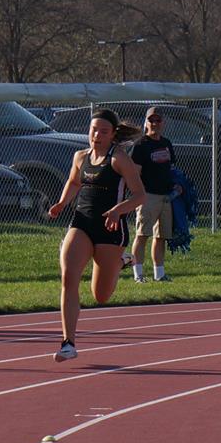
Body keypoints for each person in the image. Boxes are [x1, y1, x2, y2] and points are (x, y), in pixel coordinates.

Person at [46, 109, 146, 362]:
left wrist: (117, 211)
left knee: (100, 295)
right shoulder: (80, 157)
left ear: (113, 135)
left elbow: (139, 196)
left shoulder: (119, 159)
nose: (97, 135)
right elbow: (73, 182)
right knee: (68, 277)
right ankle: (68, 342)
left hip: (110, 229)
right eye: (93, 130)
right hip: (81, 223)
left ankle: (121, 260)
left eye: (103, 131)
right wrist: (61, 203)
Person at [128, 108, 178, 283]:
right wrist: (139, 195)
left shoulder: (166, 143)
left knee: (161, 237)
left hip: (166, 197)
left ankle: (159, 274)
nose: (155, 124)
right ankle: (138, 274)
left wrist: (176, 187)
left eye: (158, 120)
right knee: (142, 235)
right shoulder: (141, 145)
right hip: (148, 196)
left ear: (163, 123)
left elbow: (171, 168)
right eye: (151, 120)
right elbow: (134, 174)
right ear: (146, 122)